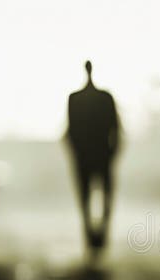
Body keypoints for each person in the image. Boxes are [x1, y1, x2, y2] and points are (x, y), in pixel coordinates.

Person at [67, 61, 120, 252]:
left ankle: (91, 234)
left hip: (85, 156)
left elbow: (70, 133)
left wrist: (76, 154)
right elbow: (116, 129)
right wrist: (112, 154)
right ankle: (100, 234)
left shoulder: (75, 99)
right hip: (101, 155)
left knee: (86, 198)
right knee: (105, 196)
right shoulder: (105, 98)